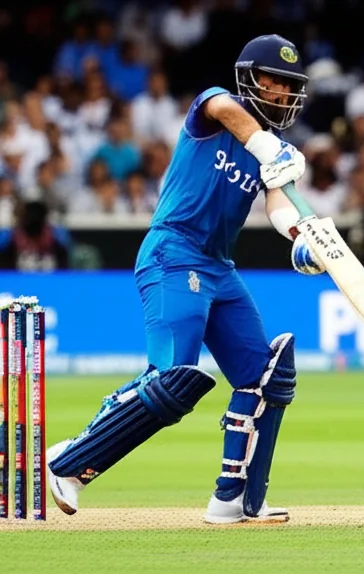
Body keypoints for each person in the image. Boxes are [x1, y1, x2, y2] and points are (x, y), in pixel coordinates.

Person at [45, 34, 329, 525]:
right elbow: (222, 107)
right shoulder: (214, 106)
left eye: (290, 84)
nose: (283, 93)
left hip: (219, 267)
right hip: (173, 254)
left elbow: (279, 203)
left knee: (265, 377)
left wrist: (302, 238)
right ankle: (68, 462)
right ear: (251, 79)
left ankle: (233, 500)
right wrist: (266, 145)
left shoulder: (276, 152)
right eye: (275, 81)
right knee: (173, 381)